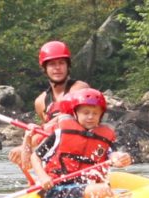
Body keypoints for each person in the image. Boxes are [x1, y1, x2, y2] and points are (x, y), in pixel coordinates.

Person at [29, 88, 132, 198]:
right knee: (102, 190)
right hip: (58, 191)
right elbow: (35, 157)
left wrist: (120, 159)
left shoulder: (104, 138)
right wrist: (43, 177)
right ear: (75, 113)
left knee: (121, 192)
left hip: (87, 187)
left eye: (95, 113)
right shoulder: (60, 134)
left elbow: (113, 154)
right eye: (86, 112)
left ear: (101, 115)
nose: (90, 117)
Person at [8, 41, 91, 179]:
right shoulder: (40, 102)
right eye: (52, 64)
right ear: (45, 68)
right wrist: (26, 143)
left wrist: (34, 137)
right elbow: (49, 136)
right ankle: (36, 184)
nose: (57, 68)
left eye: (61, 63)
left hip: (83, 149)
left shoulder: (79, 88)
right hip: (60, 154)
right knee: (23, 153)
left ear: (68, 66)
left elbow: (64, 118)